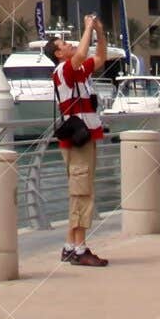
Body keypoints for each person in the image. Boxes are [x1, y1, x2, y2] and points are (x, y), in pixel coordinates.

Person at [46, 15, 109, 267]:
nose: (70, 45)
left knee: (80, 190)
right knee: (82, 192)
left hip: (86, 136)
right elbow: (82, 54)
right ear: (59, 54)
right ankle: (80, 249)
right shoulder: (64, 71)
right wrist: (87, 29)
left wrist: (99, 33)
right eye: (64, 44)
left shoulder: (79, 71)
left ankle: (70, 246)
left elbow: (100, 57)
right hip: (78, 140)